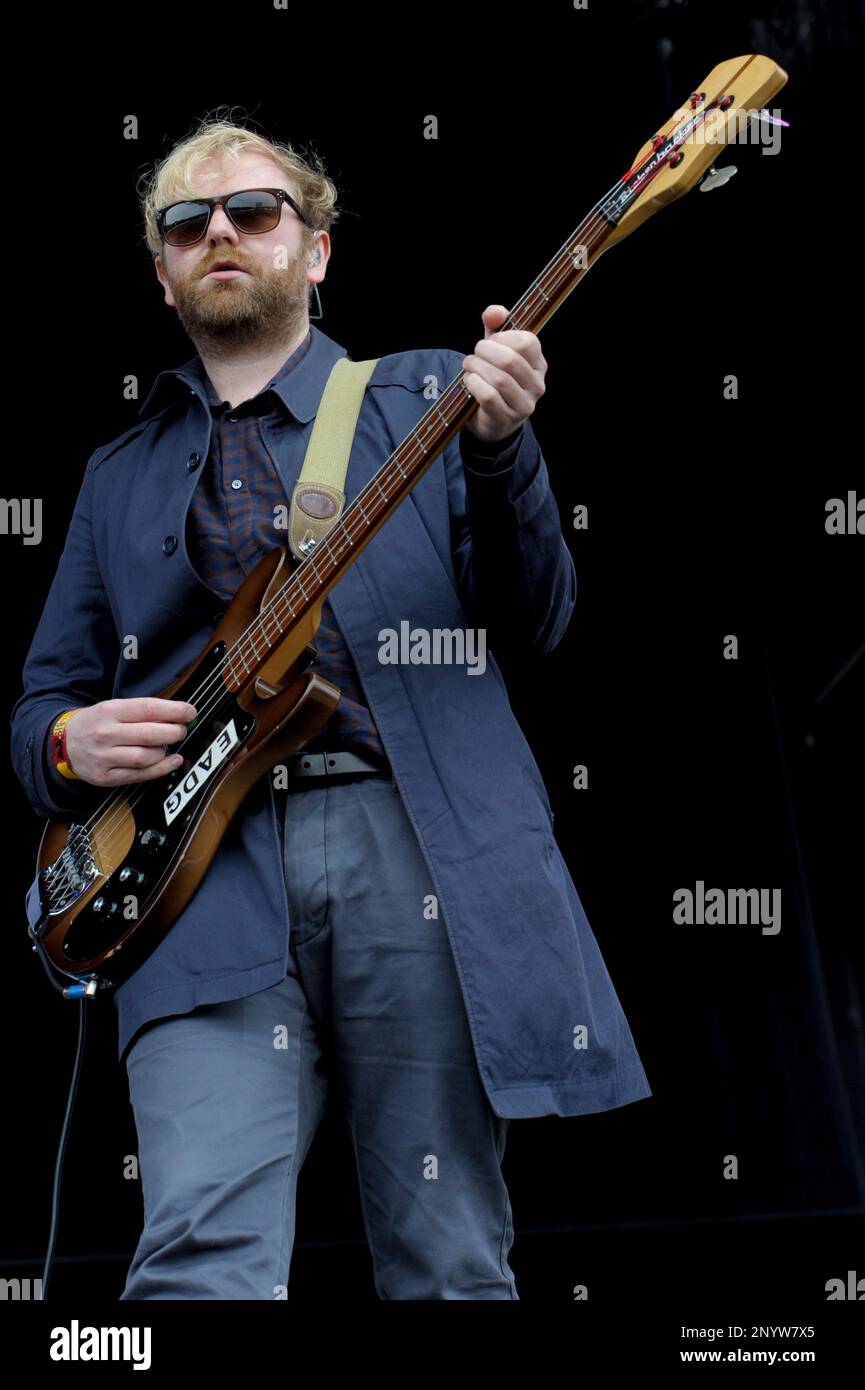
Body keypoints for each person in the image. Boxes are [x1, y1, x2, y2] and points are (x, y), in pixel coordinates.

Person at [11, 119, 651, 1300]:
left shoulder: (426, 396)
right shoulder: (116, 471)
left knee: (449, 1255)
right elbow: (44, 696)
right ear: (160, 271)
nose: (219, 233)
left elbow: (539, 620)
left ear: (313, 252)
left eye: (255, 212)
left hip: (411, 850)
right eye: (186, 221)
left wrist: (507, 452)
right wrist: (66, 740)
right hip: (191, 880)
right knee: (196, 1255)